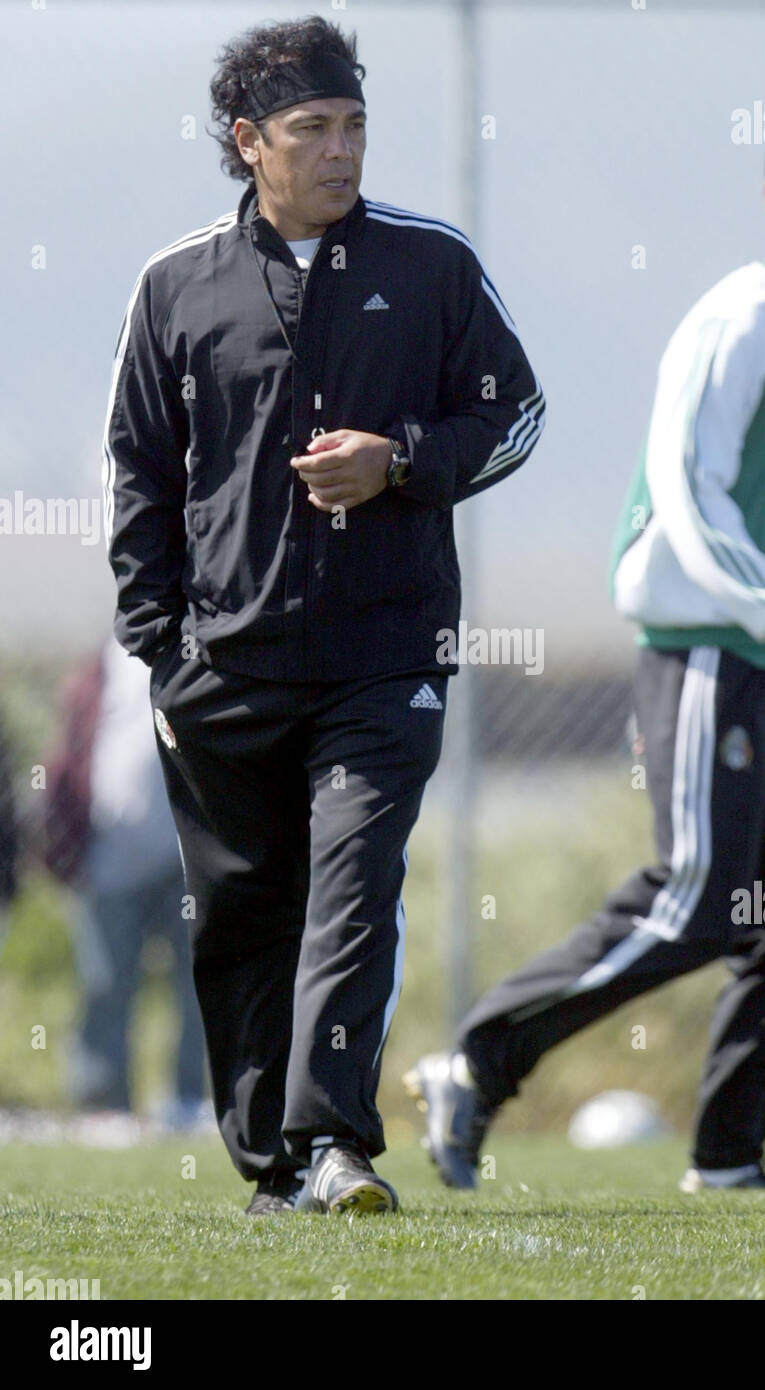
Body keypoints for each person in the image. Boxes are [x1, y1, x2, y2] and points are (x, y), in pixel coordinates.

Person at [102, 16, 543, 1215]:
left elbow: (514, 416)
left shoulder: (430, 265)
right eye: (313, 130)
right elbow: (138, 474)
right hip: (222, 674)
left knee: (353, 888)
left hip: (383, 658)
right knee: (245, 922)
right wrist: (163, 650)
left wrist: (397, 460)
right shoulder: (174, 286)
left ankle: (338, 1143)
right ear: (250, 142)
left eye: (353, 126)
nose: (341, 151)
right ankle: (271, 1169)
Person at [407, 109, 765, 1193]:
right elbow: (685, 490)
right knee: (697, 899)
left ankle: (727, 1158)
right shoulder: (738, 319)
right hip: (710, 646)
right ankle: (476, 1060)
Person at [66, 637, 207, 1139]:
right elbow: (71, 745)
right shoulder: (102, 664)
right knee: (106, 980)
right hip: (112, 856)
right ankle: (104, 1104)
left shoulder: (197, 653)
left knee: (197, 983)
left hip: (186, 854)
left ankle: (192, 1100)